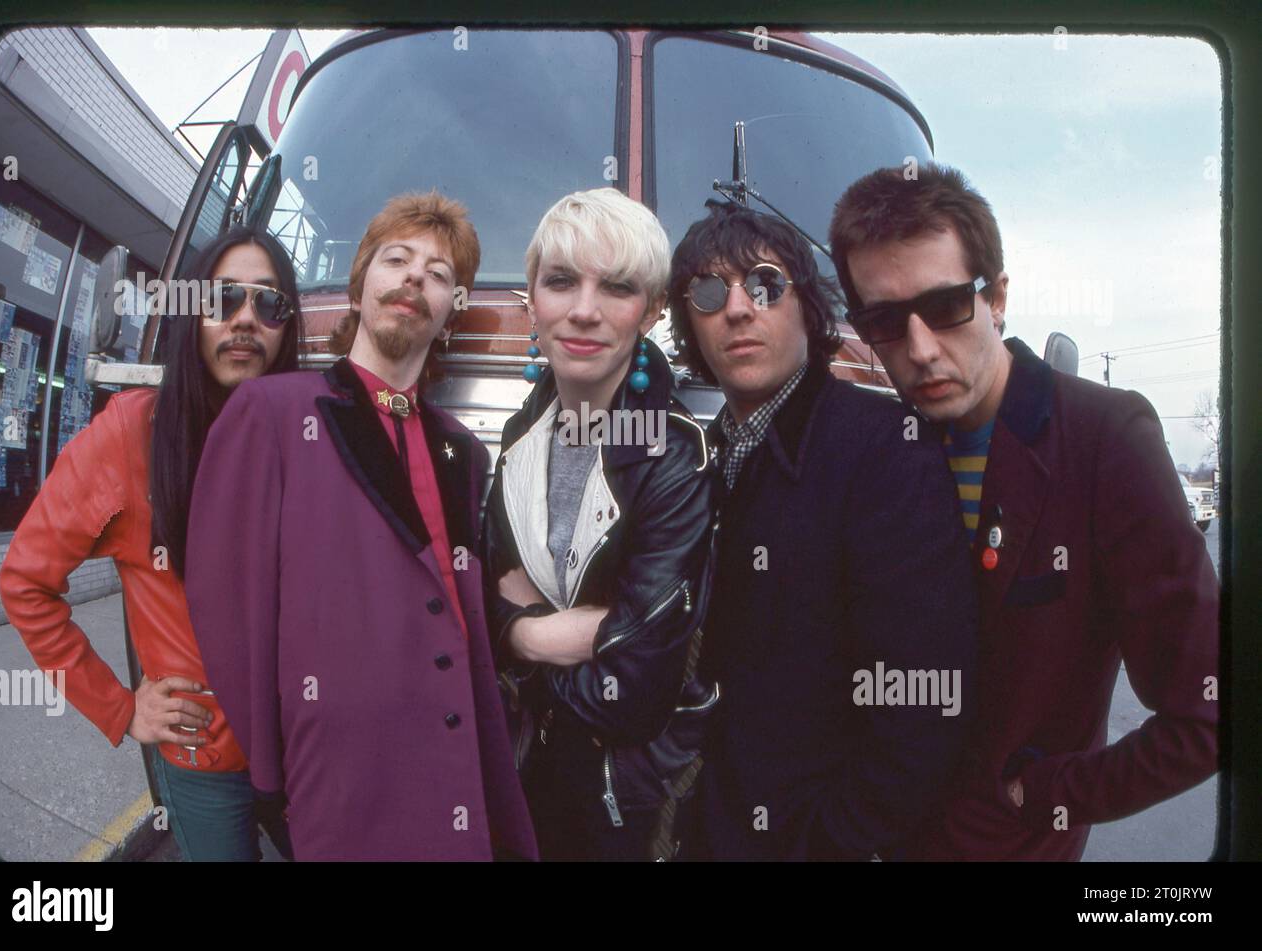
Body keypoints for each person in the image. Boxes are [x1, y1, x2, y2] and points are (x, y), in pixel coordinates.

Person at [829, 161, 1219, 860]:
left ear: (998, 296)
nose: (919, 350)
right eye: (886, 320)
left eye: (947, 306)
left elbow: (1207, 714)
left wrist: (1047, 793)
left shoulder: (1103, 437)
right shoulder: (886, 443)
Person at [184, 192, 536, 861]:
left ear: (451, 310)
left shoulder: (464, 448)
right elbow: (227, 600)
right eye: (397, 259)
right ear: (359, 286)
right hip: (337, 786)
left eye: (439, 275)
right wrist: (274, 769)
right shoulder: (272, 412)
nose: (415, 279)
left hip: (455, 768)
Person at [669, 200, 979, 860]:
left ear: (809, 308)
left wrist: (829, 844)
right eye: (706, 290)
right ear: (688, 326)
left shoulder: (884, 449)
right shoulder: (704, 460)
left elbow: (924, 704)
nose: (737, 308)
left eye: (765, 284)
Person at [0, 226, 302, 861]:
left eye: (268, 303)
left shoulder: (304, 433)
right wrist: (118, 706)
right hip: (205, 757)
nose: (245, 319)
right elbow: (25, 581)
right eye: (222, 300)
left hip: (305, 744)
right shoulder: (130, 436)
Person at [483, 187, 717, 861]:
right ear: (533, 296)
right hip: (528, 775)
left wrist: (518, 637)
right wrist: (567, 631)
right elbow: (486, 584)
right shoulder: (521, 430)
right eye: (561, 281)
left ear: (651, 311)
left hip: (624, 798)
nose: (584, 310)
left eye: (616, 287)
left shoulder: (674, 454)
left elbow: (636, 692)